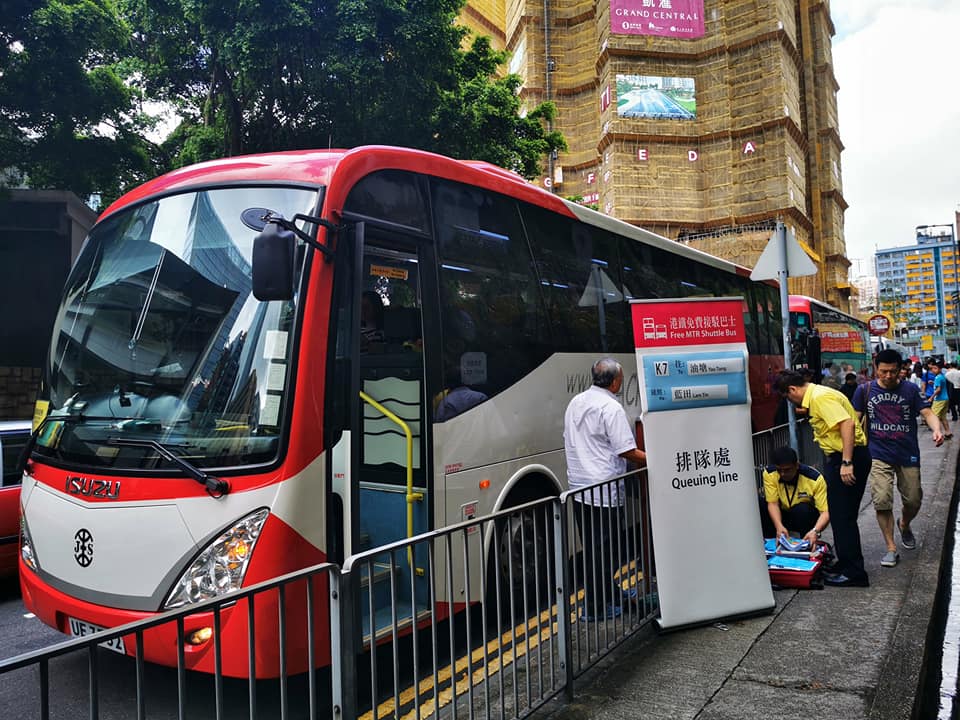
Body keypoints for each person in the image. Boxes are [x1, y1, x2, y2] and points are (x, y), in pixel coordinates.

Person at [564, 358, 647, 620]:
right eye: (620, 380)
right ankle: (596, 606)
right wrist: (659, 458)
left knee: (593, 548)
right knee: (606, 551)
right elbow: (626, 450)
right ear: (614, 382)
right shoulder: (611, 408)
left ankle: (609, 594)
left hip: (579, 488)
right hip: (603, 491)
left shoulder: (576, 402)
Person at [775, 369, 871, 587]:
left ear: (792, 389)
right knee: (839, 515)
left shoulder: (820, 398)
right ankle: (846, 563)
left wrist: (846, 462)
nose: (791, 402)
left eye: (788, 397)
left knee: (843, 517)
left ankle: (854, 573)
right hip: (842, 457)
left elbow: (846, 423)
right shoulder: (819, 395)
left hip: (846, 458)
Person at [853, 350, 944, 568]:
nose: (888, 376)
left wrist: (937, 430)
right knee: (881, 499)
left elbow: (928, 413)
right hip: (878, 453)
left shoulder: (910, 389)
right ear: (876, 368)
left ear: (900, 369)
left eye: (893, 371)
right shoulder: (864, 390)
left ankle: (904, 523)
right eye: (883, 371)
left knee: (913, 500)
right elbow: (854, 420)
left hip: (907, 453)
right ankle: (891, 548)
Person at [761, 446, 830, 548]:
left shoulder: (815, 478)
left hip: (804, 517)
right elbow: (773, 503)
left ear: (797, 465)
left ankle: (807, 543)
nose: (783, 474)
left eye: (787, 470)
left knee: (802, 510)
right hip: (781, 514)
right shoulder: (770, 473)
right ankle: (772, 543)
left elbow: (825, 512)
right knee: (761, 504)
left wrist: (816, 531)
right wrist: (778, 526)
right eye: (779, 470)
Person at [929, 362, 953, 438]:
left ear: (939, 369)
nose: (933, 370)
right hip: (945, 399)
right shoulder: (941, 376)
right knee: (943, 417)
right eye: (932, 368)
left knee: (934, 417)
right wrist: (933, 383)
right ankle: (948, 433)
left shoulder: (937, 378)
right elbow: (940, 386)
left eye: (935, 368)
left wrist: (931, 397)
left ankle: (938, 434)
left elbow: (938, 390)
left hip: (939, 400)